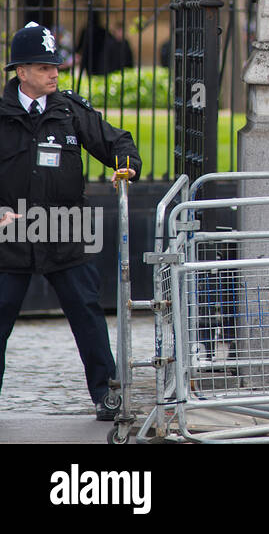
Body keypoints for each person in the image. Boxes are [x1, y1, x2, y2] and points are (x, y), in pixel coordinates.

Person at [0, 22, 141, 420]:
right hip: (11, 235)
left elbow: (117, 142)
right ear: (21, 72)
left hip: (65, 230)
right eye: (44, 67)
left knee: (87, 316)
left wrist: (126, 167)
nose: (54, 73)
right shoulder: (2, 117)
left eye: (55, 66)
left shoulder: (70, 111)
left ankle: (107, 394)